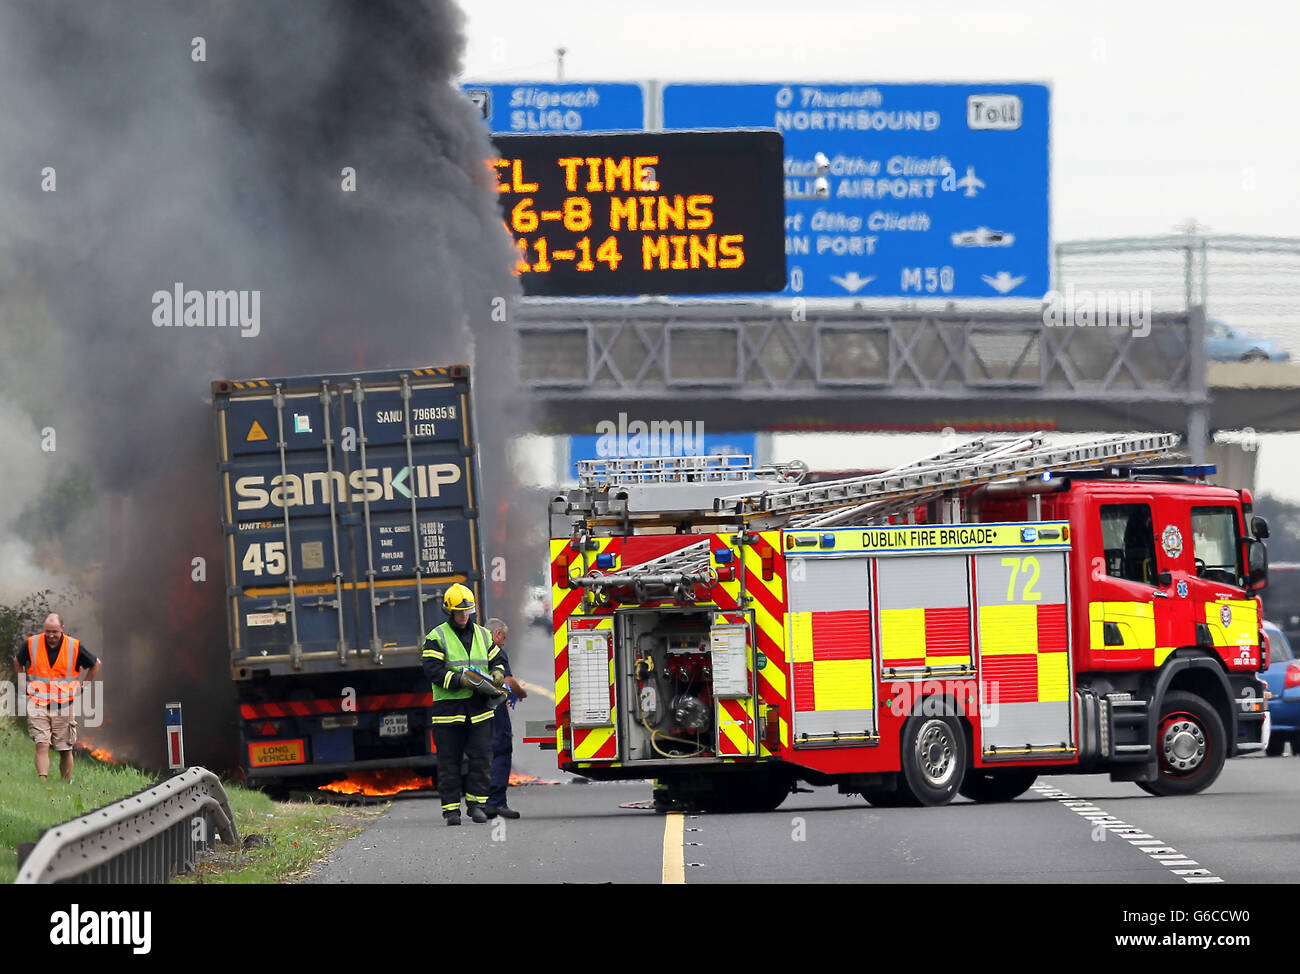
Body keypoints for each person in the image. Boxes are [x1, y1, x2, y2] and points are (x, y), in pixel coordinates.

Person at [421, 584, 506, 826]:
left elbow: (497, 659)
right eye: (459, 612)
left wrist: (498, 674)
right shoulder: (436, 637)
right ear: (449, 612)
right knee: (449, 762)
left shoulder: (483, 634)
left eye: (467, 611)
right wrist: (460, 680)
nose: (464, 616)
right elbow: (433, 672)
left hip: (479, 710)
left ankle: (476, 806)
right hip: (449, 712)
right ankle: (451, 811)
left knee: (481, 758)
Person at [15, 613, 101, 782]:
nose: (51, 635)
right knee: (42, 743)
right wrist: (22, 683)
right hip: (38, 703)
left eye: (54, 631)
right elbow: (18, 661)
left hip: (63, 705)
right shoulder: (32, 643)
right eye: (47, 631)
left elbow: (96, 664)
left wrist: (84, 686)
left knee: (65, 749)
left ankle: (66, 783)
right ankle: (42, 781)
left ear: (62, 629)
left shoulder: (74, 646)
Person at [483, 618, 527, 820]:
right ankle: (496, 802)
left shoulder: (474, 649)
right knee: (502, 749)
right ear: (497, 634)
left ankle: (481, 802)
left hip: (476, 709)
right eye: (504, 637)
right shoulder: (496, 650)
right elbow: (507, 681)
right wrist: (520, 692)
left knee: (482, 754)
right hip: (495, 707)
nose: (504, 642)